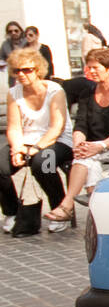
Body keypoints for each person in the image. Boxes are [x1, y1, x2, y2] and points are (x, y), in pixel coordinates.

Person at [1, 48, 74, 234]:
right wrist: (17, 148)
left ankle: (60, 209)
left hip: (57, 141)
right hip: (25, 141)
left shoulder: (54, 90)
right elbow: (14, 127)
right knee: (0, 165)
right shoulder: (14, 93)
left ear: (37, 69)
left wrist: (33, 149)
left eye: (27, 70)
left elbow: (56, 128)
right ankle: (12, 212)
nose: (22, 74)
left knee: (44, 164)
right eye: (17, 71)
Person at [44, 45, 109, 223]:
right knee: (83, 157)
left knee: (87, 159)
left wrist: (99, 146)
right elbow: (81, 125)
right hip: (90, 147)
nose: (90, 71)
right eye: (89, 67)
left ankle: (68, 205)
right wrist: (79, 144)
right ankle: (86, 211)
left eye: (95, 67)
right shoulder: (87, 93)